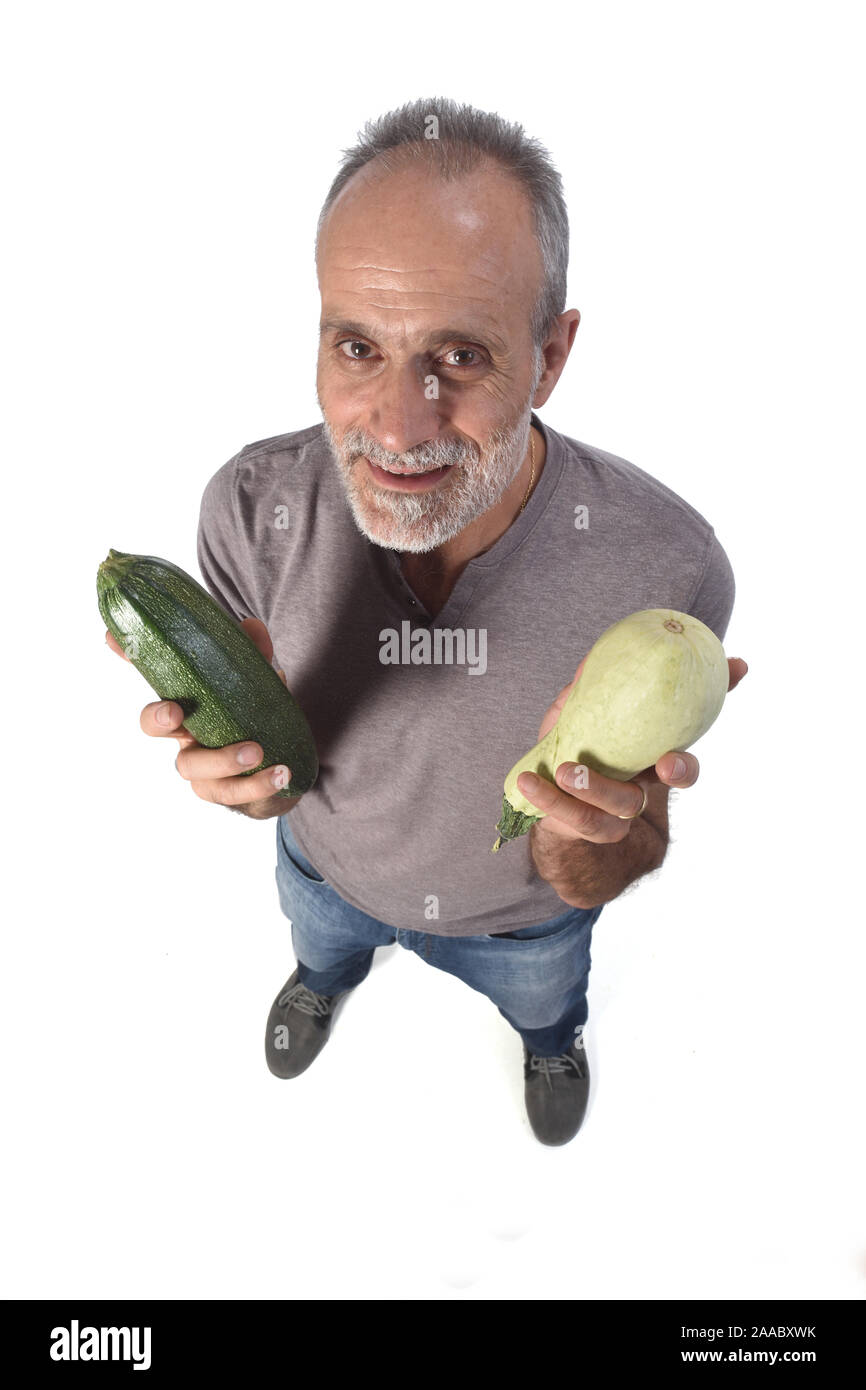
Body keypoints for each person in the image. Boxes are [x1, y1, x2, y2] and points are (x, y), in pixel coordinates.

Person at [106, 98, 748, 1146]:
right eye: (357, 345)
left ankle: (547, 1037)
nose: (399, 428)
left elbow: (616, 850)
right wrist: (240, 777)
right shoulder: (244, 509)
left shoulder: (666, 569)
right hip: (326, 875)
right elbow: (263, 754)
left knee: (545, 993)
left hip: (523, 922)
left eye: (458, 357)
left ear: (549, 355)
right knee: (318, 941)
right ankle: (324, 979)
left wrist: (604, 844)